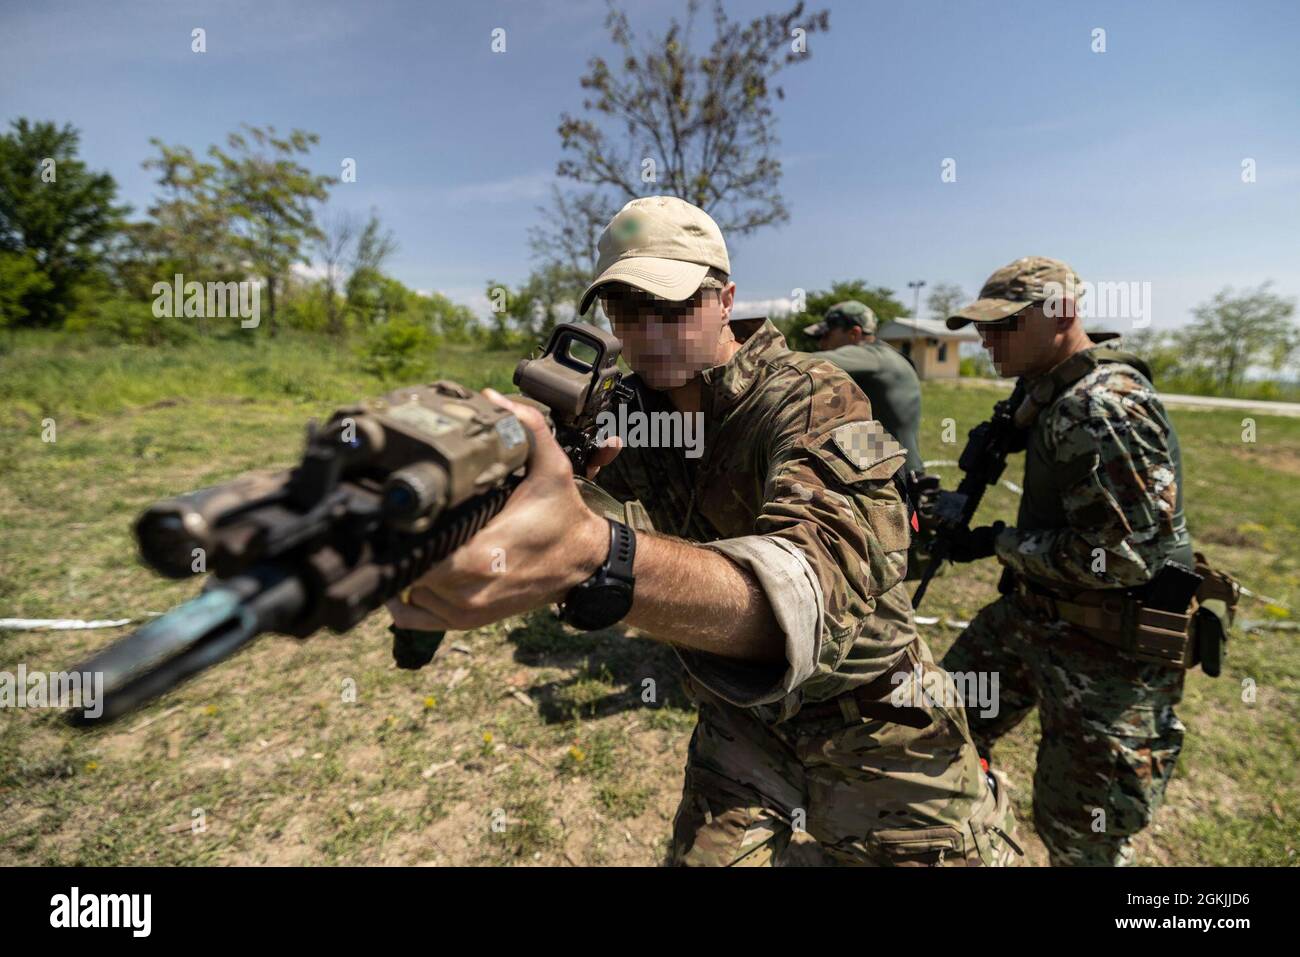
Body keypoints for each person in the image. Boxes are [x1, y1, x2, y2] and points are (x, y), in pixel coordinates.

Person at [389, 196, 1019, 866]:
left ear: (726, 299)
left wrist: (601, 559)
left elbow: (815, 588)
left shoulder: (809, 394)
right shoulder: (631, 408)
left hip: (879, 724)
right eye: (625, 309)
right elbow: (563, 464)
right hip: (742, 722)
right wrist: (501, 456)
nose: (647, 331)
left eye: (670, 306)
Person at [939, 255, 1228, 866]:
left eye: (1005, 325)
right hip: (1033, 620)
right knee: (939, 728)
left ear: (1062, 314)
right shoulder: (1050, 391)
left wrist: (998, 543)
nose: (986, 340)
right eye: (982, 327)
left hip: (1108, 654)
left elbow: (1126, 558)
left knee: (1081, 832)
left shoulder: (1101, 406)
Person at [805, 301, 924, 474]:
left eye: (826, 335)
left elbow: (803, 362)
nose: (821, 343)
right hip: (893, 469)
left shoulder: (872, 357)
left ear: (854, 333)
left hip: (893, 479)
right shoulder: (886, 355)